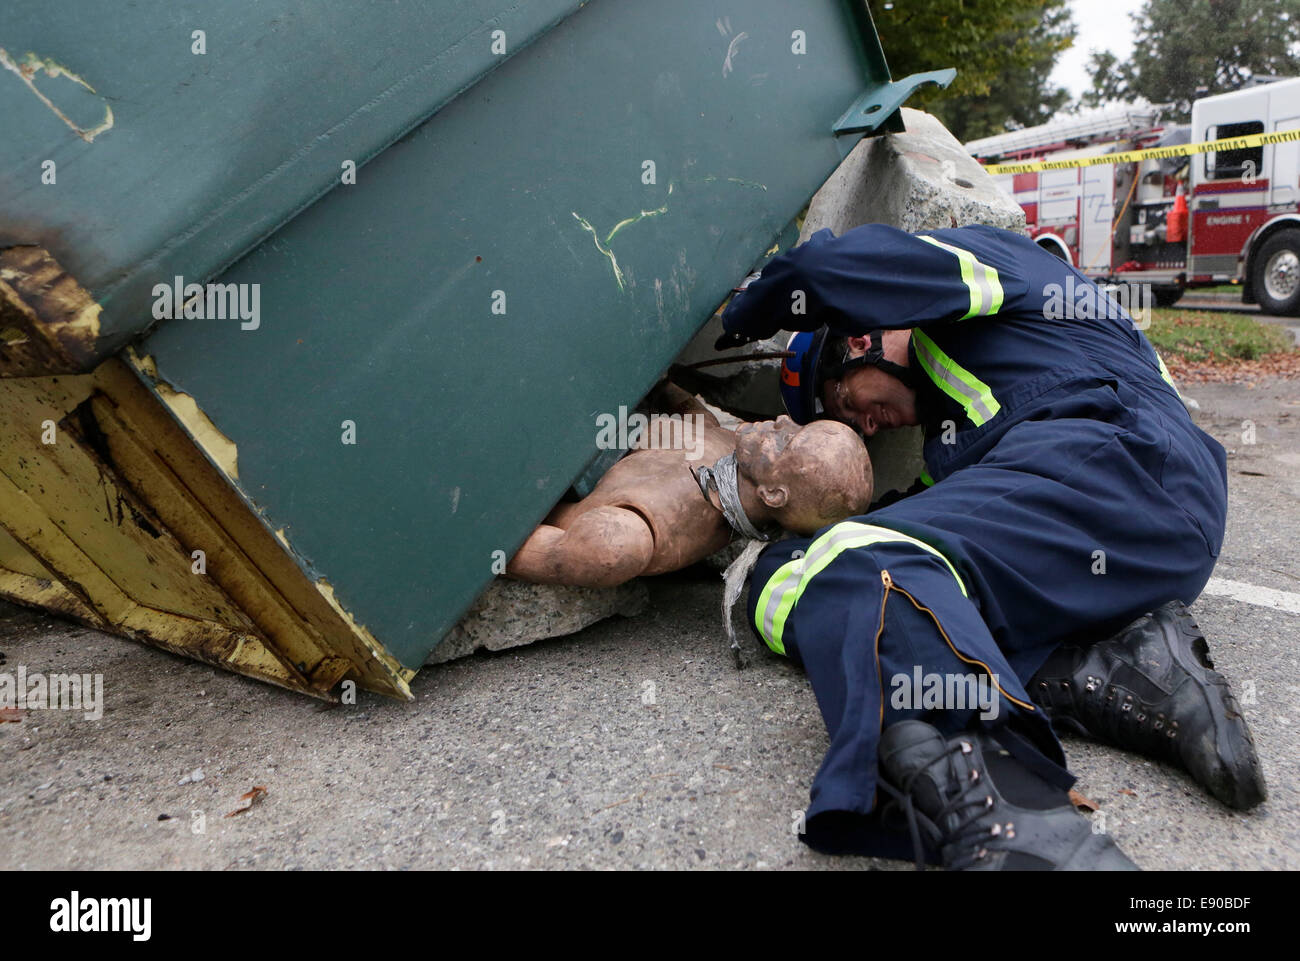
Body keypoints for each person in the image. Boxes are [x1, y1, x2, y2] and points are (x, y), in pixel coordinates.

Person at [716, 222, 1265, 871]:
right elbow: (932, 520)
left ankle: (1016, 813)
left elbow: (851, 265)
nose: (860, 426)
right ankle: (1130, 666)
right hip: (1160, 530)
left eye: (840, 400)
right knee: (900, 581)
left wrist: (753, 301)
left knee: (854, 565)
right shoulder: (964, 422)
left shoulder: (986, 270)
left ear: (858, 336)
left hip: (1114, 459)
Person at [508, 383, 873, 588]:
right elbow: (692, 413)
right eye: (797, 425)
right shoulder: (733, 447)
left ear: (774, 494)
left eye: (788, 441)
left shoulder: (634, 535)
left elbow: (506, 549)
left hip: (521, 465)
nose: (781, 421)